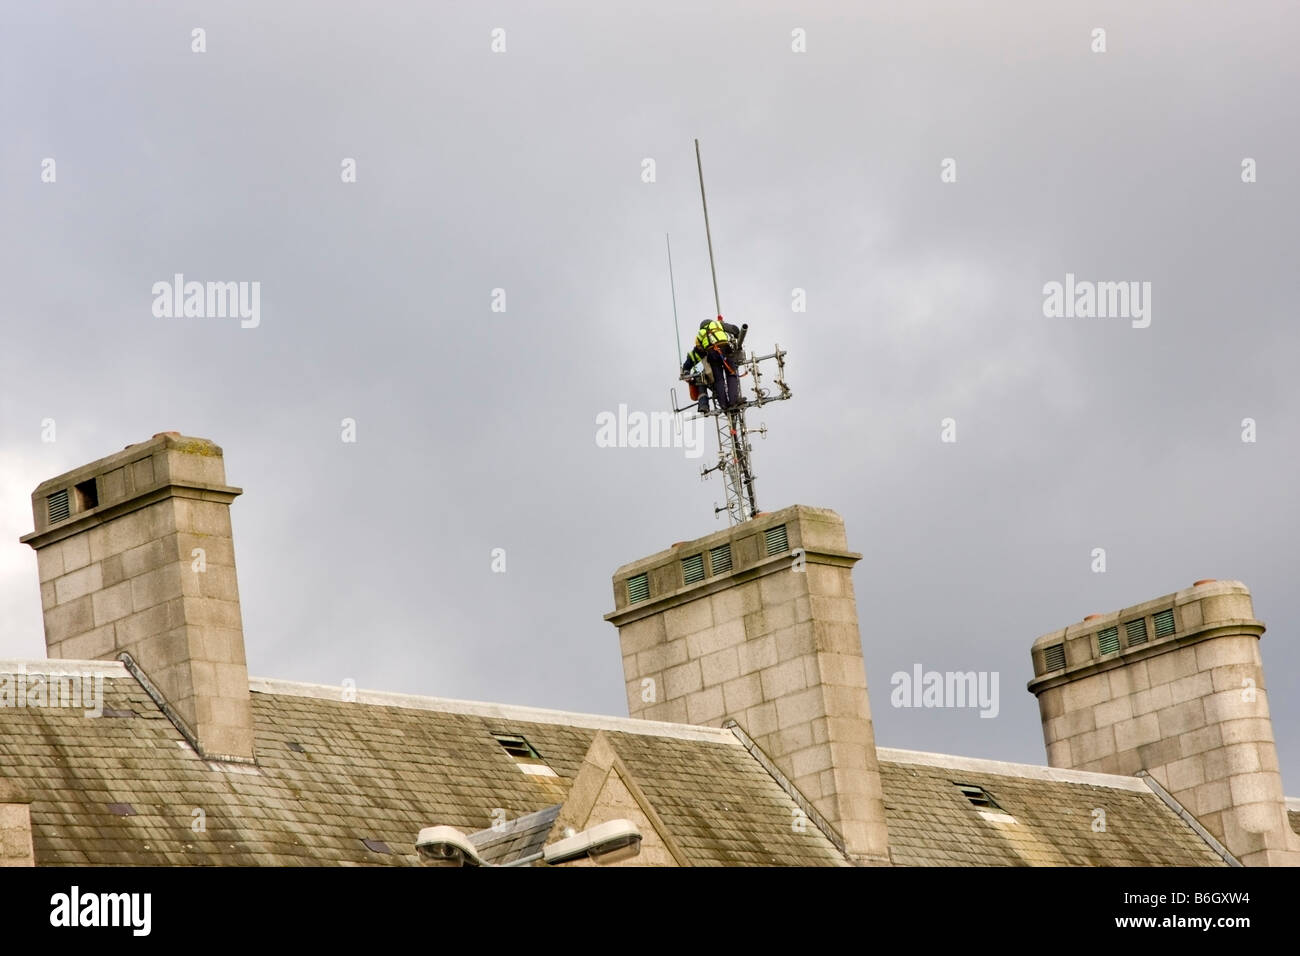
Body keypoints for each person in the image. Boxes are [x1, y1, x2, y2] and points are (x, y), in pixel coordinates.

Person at [682, 315, 742, 413]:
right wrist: (737, 337)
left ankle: (723, 404)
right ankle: (734, 401)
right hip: (725, 350)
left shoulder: (700, 335)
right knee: (731, 374)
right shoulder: (717, 324)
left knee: (719, 380)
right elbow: (734, 329)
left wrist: (686, 369)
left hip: (712, 354)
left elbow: (694, 355)